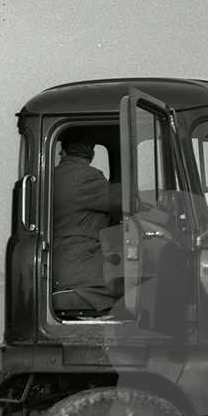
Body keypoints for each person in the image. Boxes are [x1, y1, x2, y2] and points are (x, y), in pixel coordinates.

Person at [49, 129, 122, 314]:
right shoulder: (86, 178)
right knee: (142, 278)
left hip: (61, 261)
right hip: (78, 267)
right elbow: (125, 201)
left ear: (63, 152)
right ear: (92, 154)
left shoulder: (54, 176)